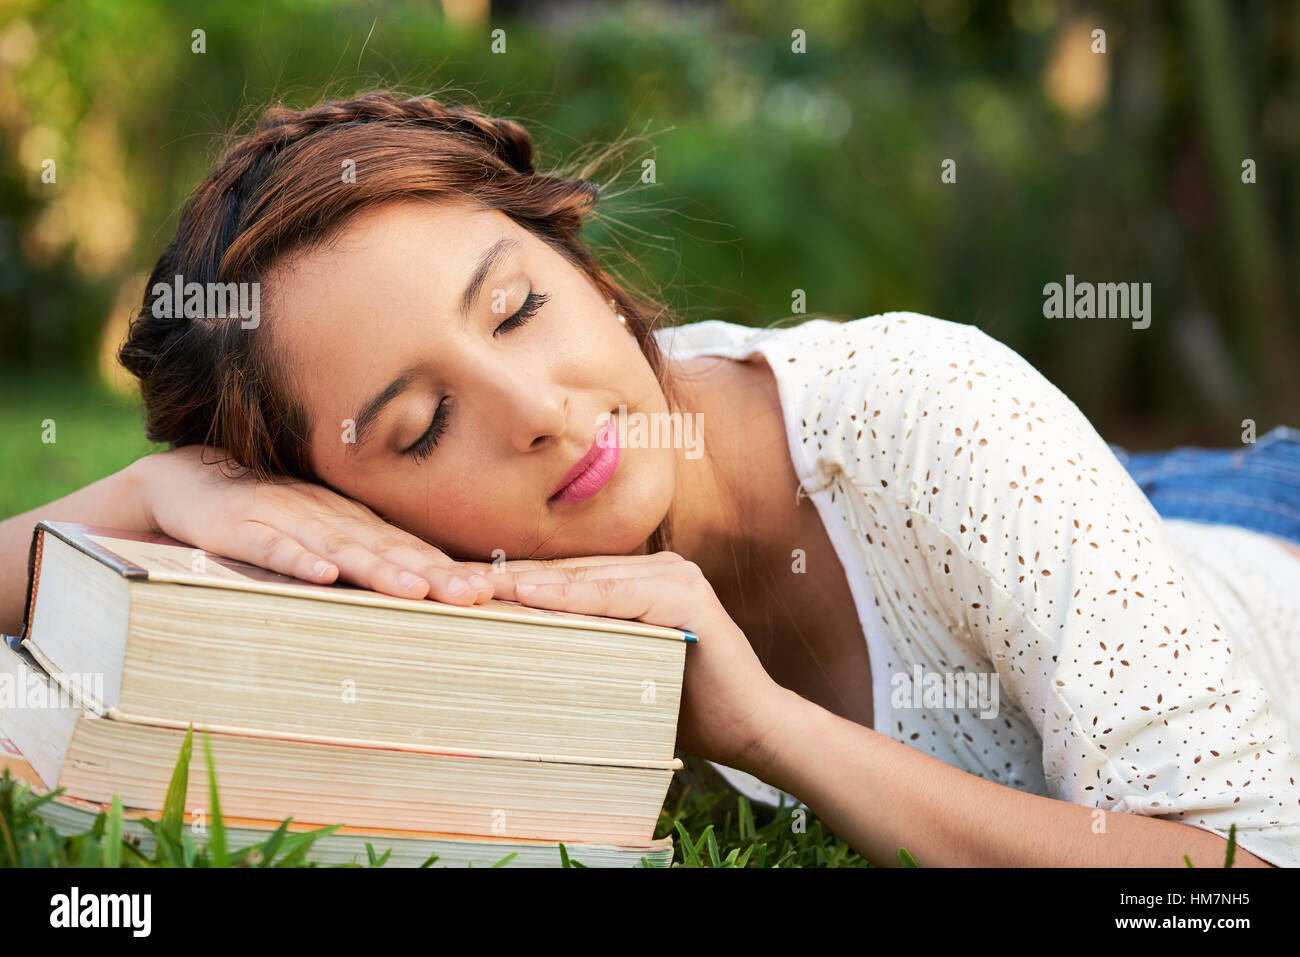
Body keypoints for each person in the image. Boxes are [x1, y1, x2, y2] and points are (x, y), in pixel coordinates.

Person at [1, 91, 1296, 867]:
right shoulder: (409, 575)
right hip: (1126, 522)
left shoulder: (929, 419)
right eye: (421, 422)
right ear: (345, 508)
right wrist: (165, 491)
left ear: (584, 263)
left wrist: (769, 729)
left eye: (514, 308)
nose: (542, 414)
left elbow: (1229, 874)